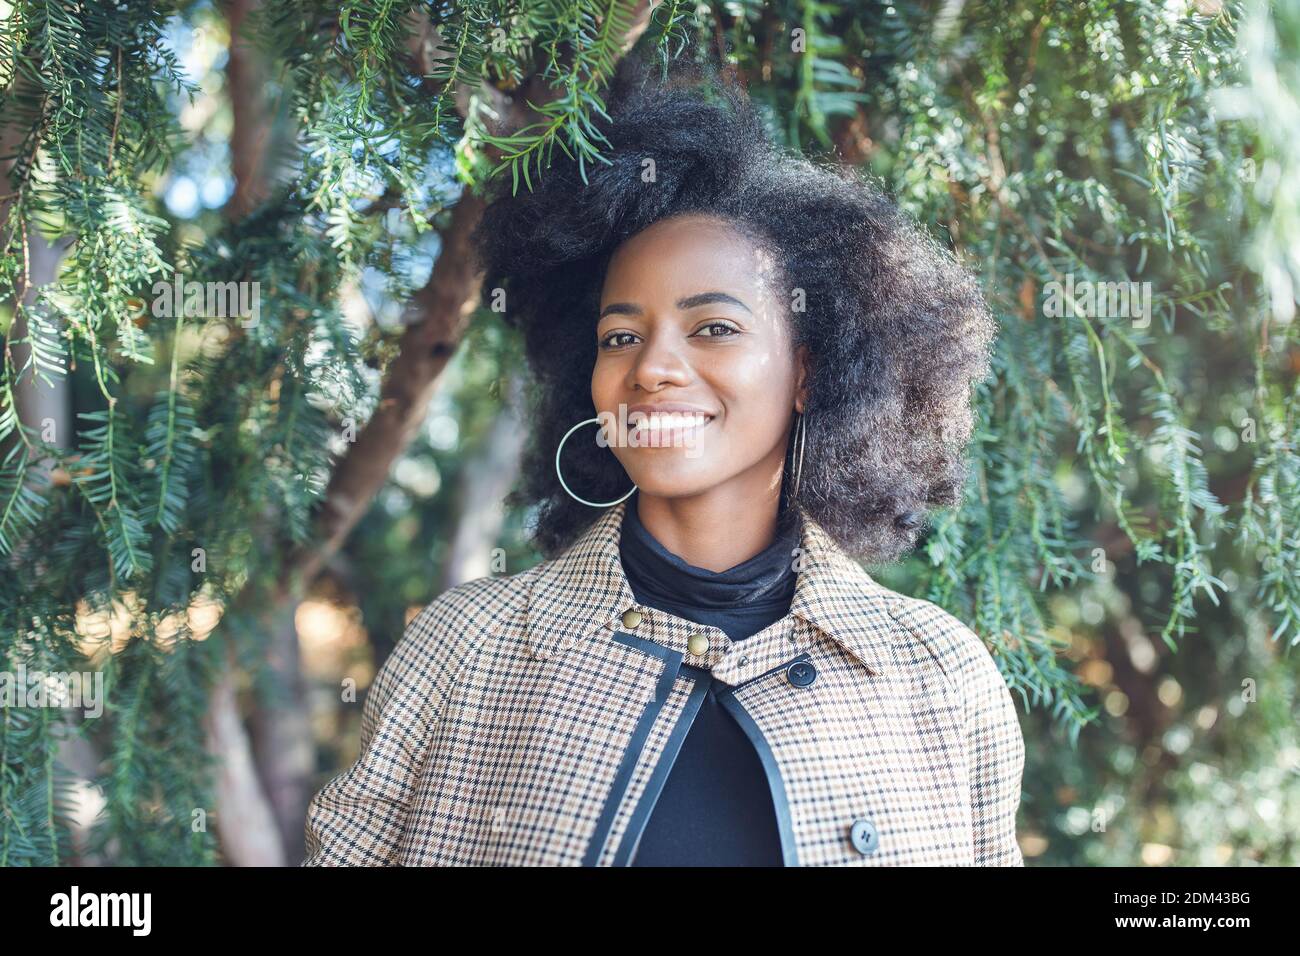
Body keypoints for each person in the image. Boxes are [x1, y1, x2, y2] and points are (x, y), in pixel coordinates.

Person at [302, 55, 1024, 867]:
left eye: (714, 327)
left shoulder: (940, 675)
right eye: (620, 336)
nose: (652, 367)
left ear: (811, 373)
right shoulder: (465, 648)